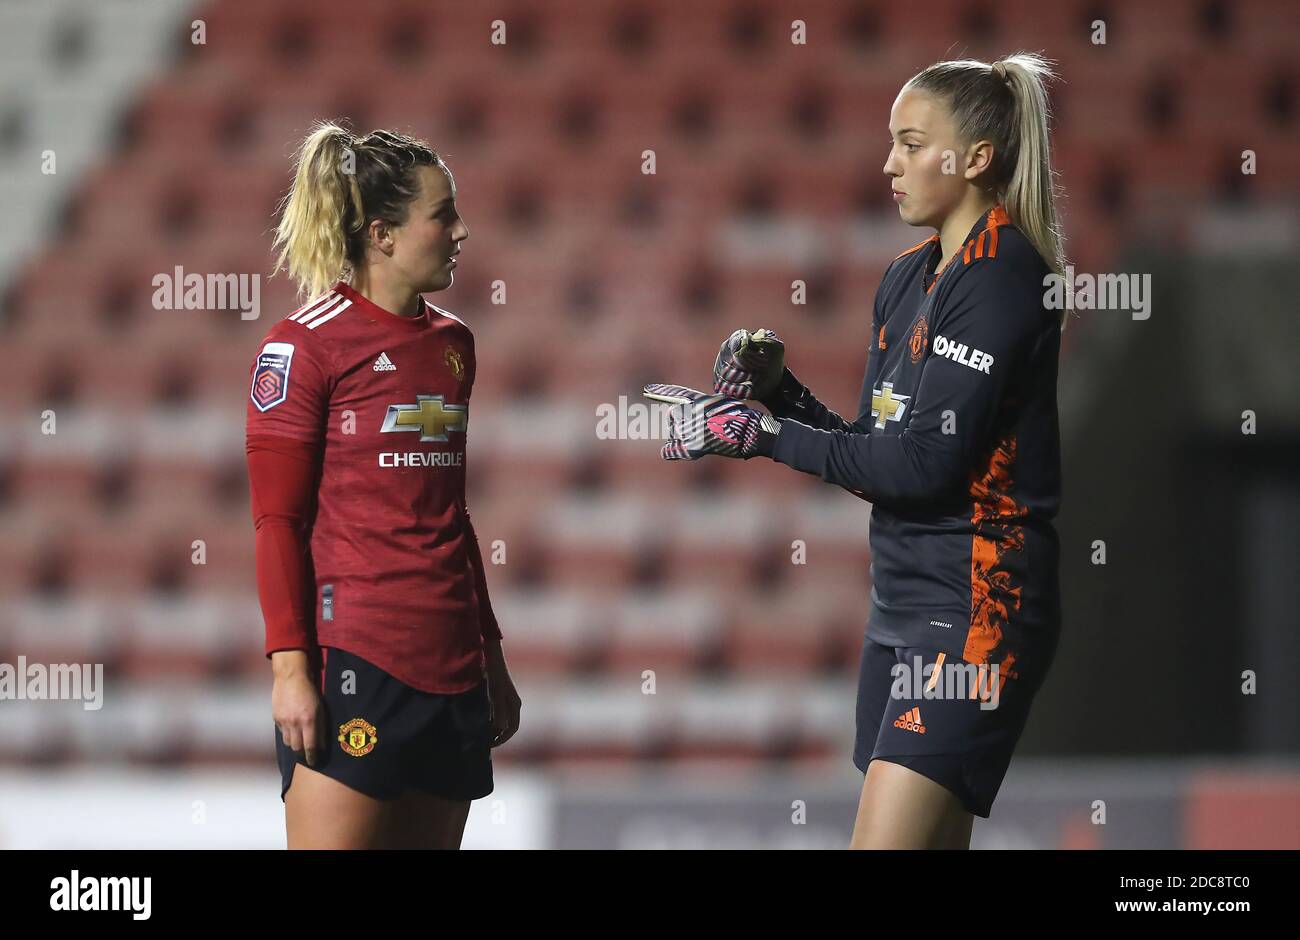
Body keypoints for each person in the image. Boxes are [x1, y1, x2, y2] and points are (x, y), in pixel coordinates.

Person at [644, 53, 1065, 848]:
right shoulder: (908, 277)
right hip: (900, 609)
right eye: (889, 142)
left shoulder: (1004, 276)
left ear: (977, 159)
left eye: (911, 143)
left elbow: (926, 468)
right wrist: (782, 396)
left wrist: (764, 436)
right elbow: (882, 455)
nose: (889, 165)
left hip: (975, 606)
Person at [246, 123, 520, 849]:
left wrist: (491, 654)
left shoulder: (454, 346)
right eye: (443, 214)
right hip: (356, 662)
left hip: (453, 663)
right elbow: (277, 522)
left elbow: (450, 515)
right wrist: (290, 672)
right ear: (384, 235)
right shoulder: (302, 347)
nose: (462, 230)